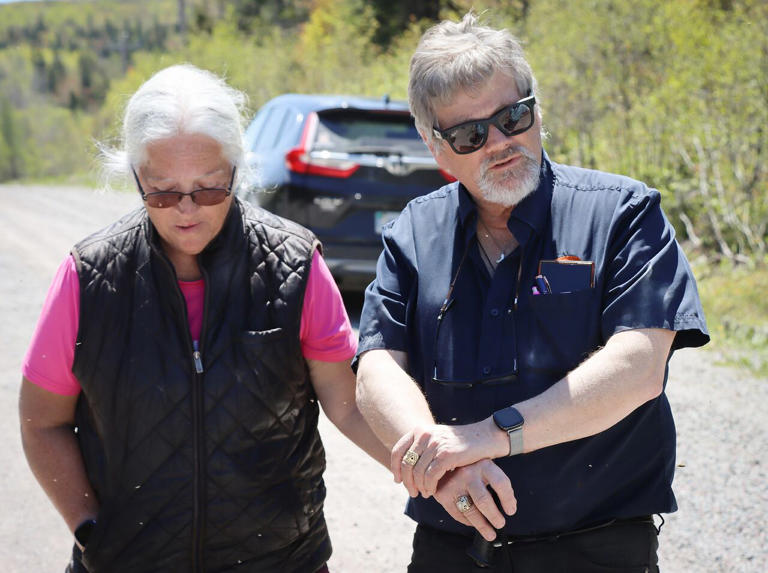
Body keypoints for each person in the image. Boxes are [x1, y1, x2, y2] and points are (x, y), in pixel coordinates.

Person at [354, 12, 709, 573]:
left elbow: (640, 366)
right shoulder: (413, 234)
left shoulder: (621, 214)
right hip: (451, 550)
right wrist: (442, 464)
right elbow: (375, 368)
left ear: (537, 111)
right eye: (471, 134)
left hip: (597, 550)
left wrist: (484, 438)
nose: (499, 143)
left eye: (512, 117)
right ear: (435, 147)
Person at [19, 64, 388, 573]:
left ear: (237, 171)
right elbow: (43, 421)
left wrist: (429, 469)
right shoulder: (88, 277)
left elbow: (349, 406)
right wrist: (88, 530)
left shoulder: (296, 265)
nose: (186, 210)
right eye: (164, 191)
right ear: (135, 176)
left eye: (210, 188)